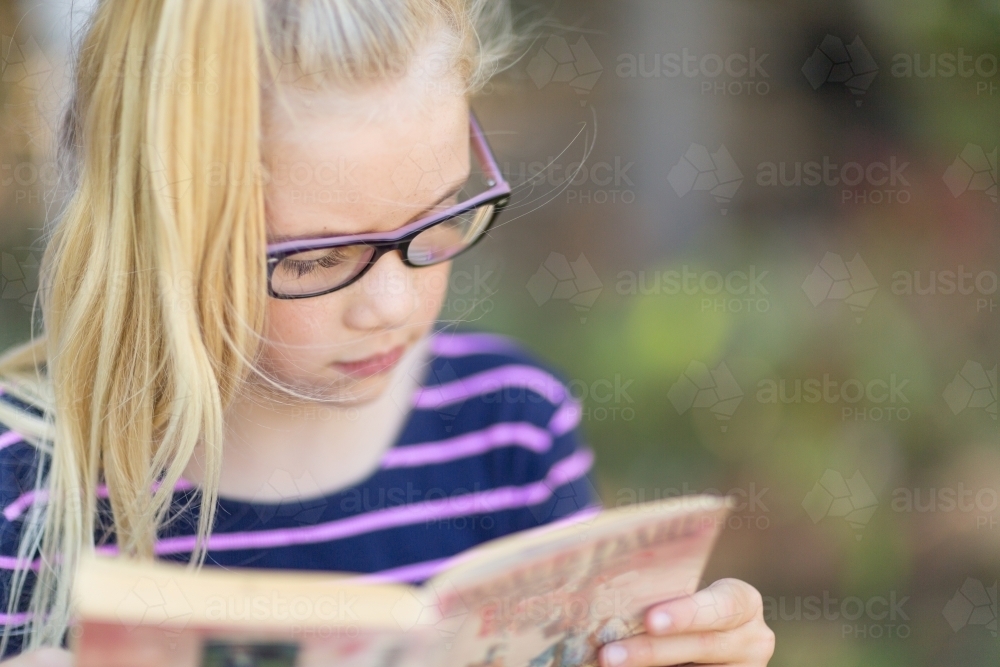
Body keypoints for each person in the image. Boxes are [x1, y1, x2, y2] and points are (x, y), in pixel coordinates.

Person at [0, 0, 775, 665]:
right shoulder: (23, 485)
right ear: (155, 227)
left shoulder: (510, 427)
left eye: (436, 215)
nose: (394, 304)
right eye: (318, 258)